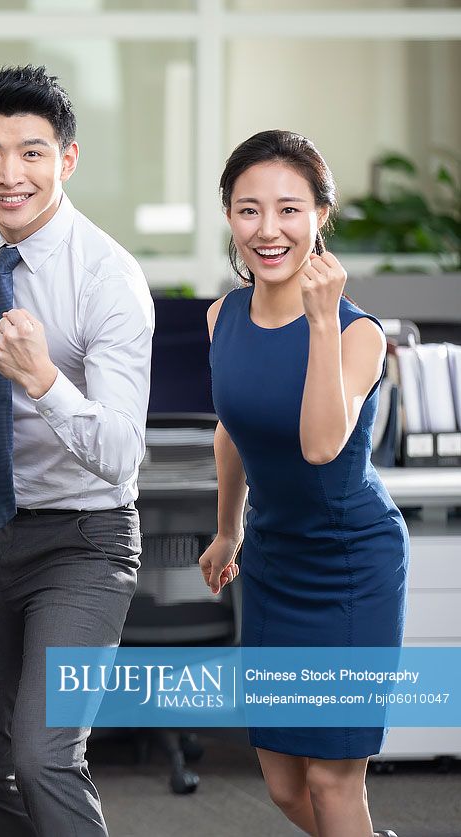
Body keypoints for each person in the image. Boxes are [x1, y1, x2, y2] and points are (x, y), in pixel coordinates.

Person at [0, 65, 154, 835]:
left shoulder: (107, 278)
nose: (9, 174)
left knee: (44, 753)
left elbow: (121, 455)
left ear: (67, 159)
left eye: (30, 152)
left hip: (84, 540)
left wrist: (45, 378)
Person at [199, 129, 407, 837]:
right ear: (228, 215)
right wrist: (228, 527)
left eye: (288, 209)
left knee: (331, 779)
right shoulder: (221, 316)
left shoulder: (357, 335)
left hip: (350, 565)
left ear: (320, 215)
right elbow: (231, 428)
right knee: (285, 783)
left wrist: (320, 320)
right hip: (274, 561)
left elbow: (321, 444)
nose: (267, 229)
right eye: (247, 208)